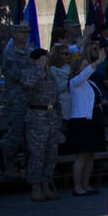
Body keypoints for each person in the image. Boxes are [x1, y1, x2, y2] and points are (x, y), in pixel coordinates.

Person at [62, 42, 107, 195]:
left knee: (91, 154)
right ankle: (77, 186)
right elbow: (83, 75)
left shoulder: (90, 83)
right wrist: (97, 62)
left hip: (93, 120)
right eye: (84, 65)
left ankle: (86, 184)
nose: (88, 68)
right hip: (81, 121)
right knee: (82, 154)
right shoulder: (75, 82)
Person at [21, 47, 62, 202]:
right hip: (36, 117)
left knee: (51, 154)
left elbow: (56, 97)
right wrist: (38, 68)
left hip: (51, 116)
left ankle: (46, 184)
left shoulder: (50, 75)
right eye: (44, 58)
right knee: (37, 154)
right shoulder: (30, 73)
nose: (47, 61)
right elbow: (27, 84)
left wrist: (59, 117)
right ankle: (35, 186)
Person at [0, 22, 34, 178]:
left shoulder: (30, 52)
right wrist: (34, 76)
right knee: (15, 133)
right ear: (13, 35)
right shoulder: (10, 54)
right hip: (16, 100)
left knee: (30, 135)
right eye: (21, 32)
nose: (25, 35)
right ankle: (8, 163)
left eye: (27, 32)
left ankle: (27, 166)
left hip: (31, 99)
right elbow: (18, 76)